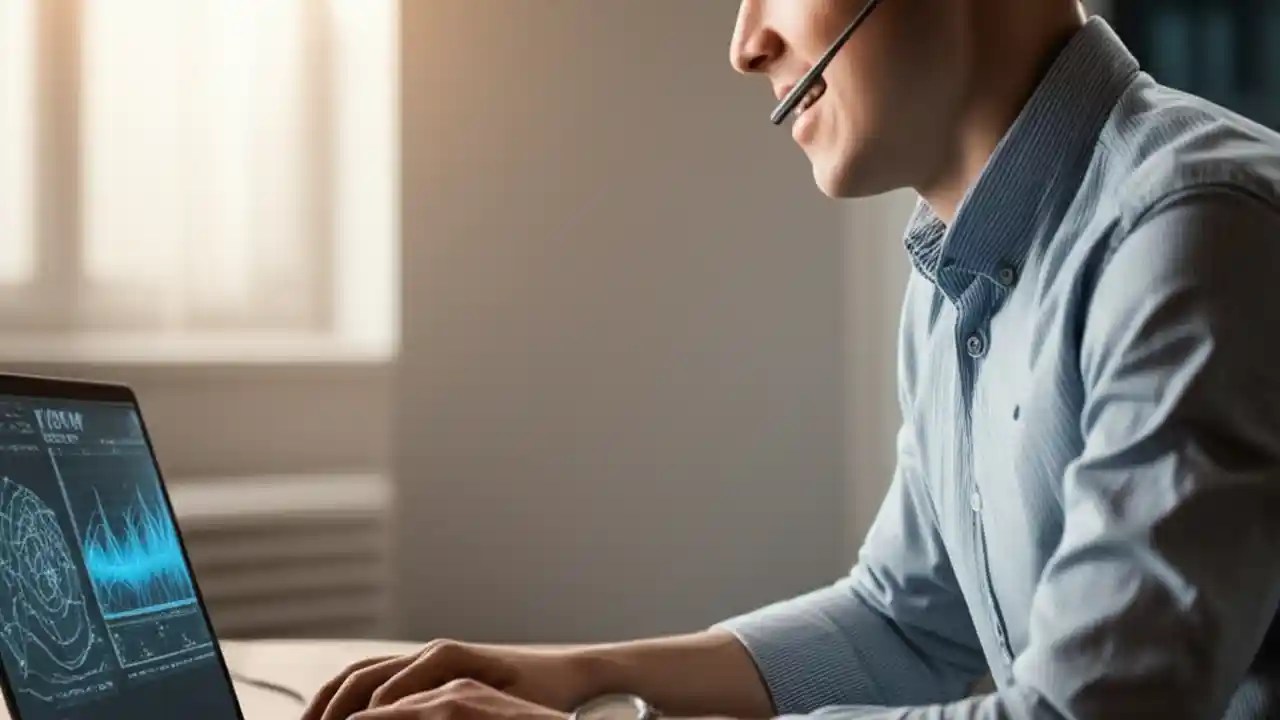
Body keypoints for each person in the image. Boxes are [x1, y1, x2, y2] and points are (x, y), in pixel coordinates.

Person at [303, 0, 1280, 717]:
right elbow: (903, 622)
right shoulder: (958, 262)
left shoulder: (1192, 234)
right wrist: (571, 678)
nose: (743, 44)